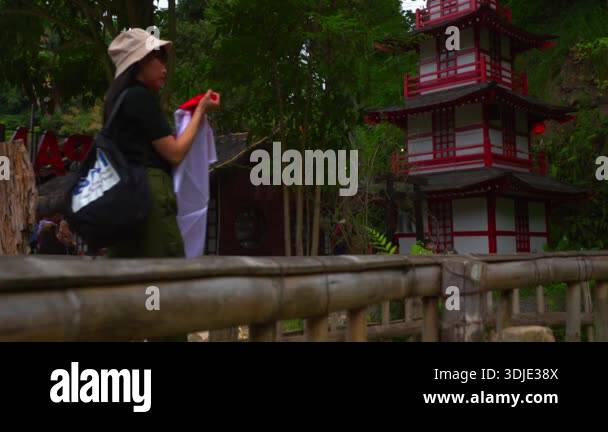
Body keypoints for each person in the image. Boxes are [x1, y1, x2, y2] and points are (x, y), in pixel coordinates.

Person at [103, 28, 220, 258]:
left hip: (120, 196)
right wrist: (201, 111)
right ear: (140, 62)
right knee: (167, 272)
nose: (165, 68)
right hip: (149, 192)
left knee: (124, 274)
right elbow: (174, 153)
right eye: (159, 58)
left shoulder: (115, 102)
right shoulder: (140, 97)